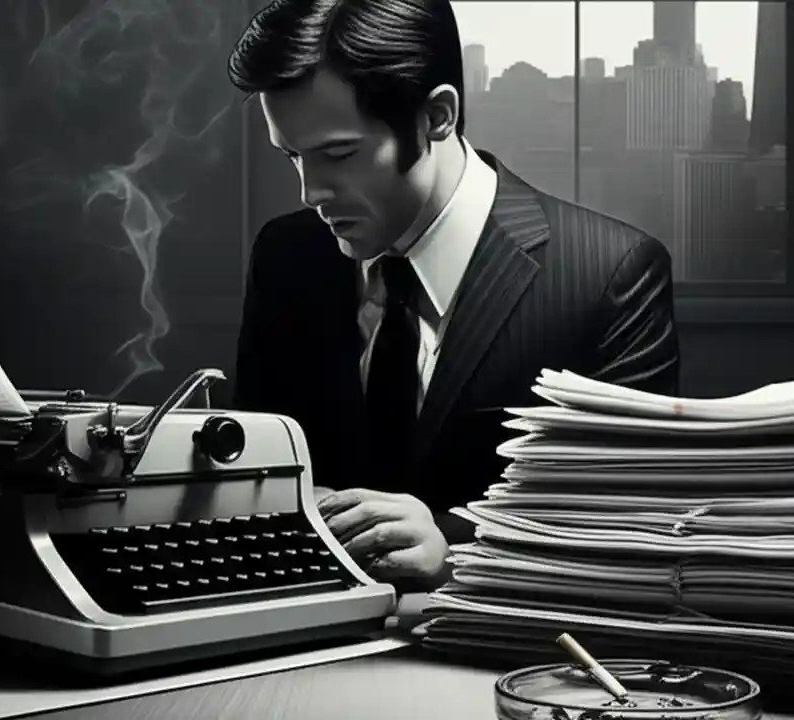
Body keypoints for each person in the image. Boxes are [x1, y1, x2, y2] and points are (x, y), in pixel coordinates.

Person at [227, 0, 679, 592]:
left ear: (438, 115)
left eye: (339, 155)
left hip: (504, 655)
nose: (311, 192)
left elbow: (628, 521)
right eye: (292, 156)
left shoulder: (609, 275)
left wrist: (457, 548)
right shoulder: (286, 256)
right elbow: (250, 468)